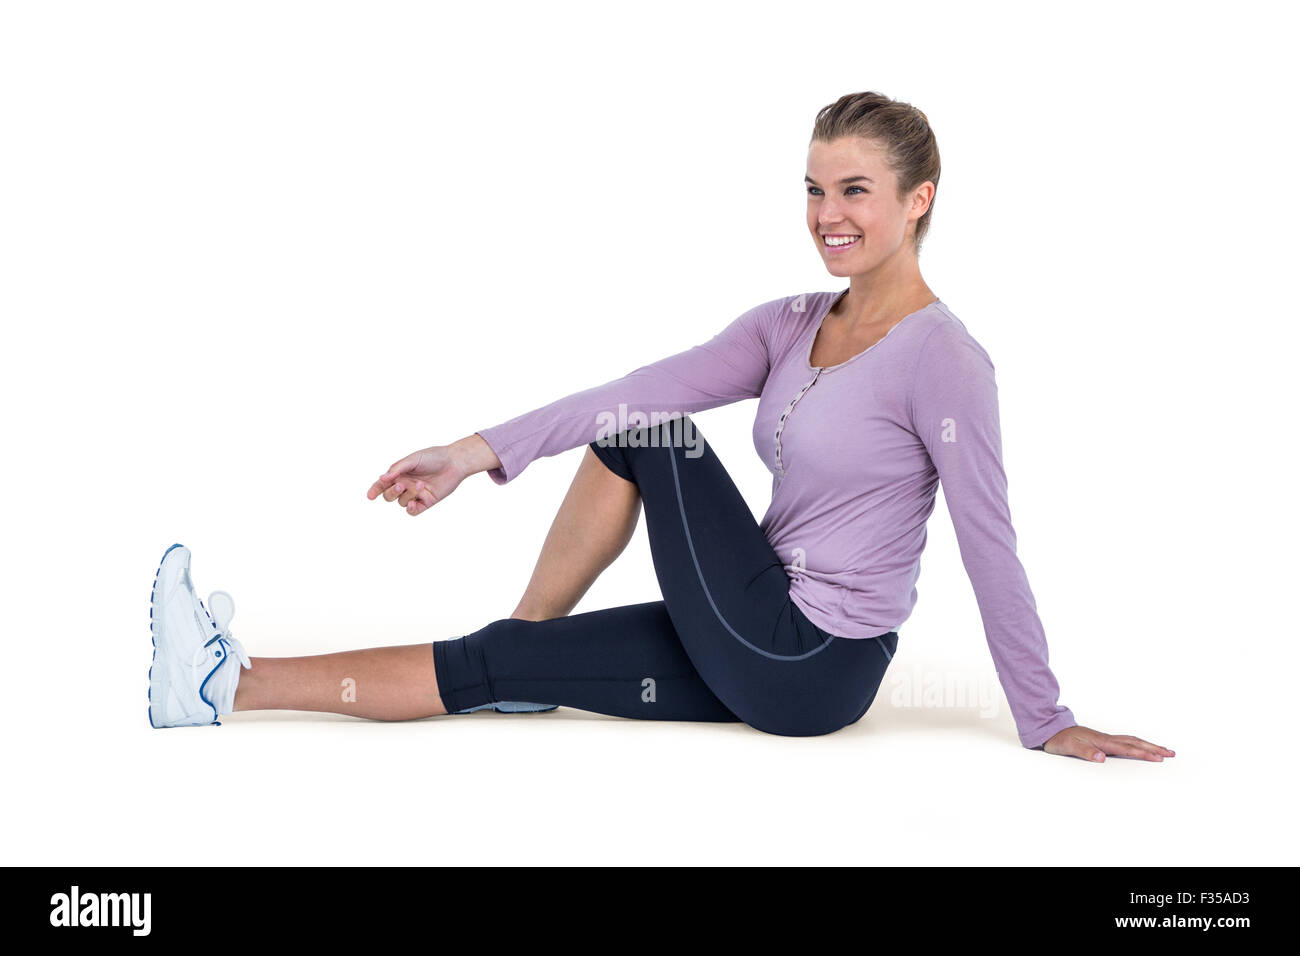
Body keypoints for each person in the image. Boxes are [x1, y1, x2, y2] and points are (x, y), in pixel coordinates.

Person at [147, 90, 1173, 762]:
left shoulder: (945, 357)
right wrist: (473, 451)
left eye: (854, 190)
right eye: (814, 189)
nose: (827, 213)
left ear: (918, 200)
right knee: (496, 662)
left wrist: (1047, 719)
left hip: (812, 658)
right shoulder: (787, 323)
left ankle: (524, 635)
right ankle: (223, 684)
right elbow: (637, 384)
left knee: (658, 437)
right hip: (750, 629)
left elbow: (987, 534)